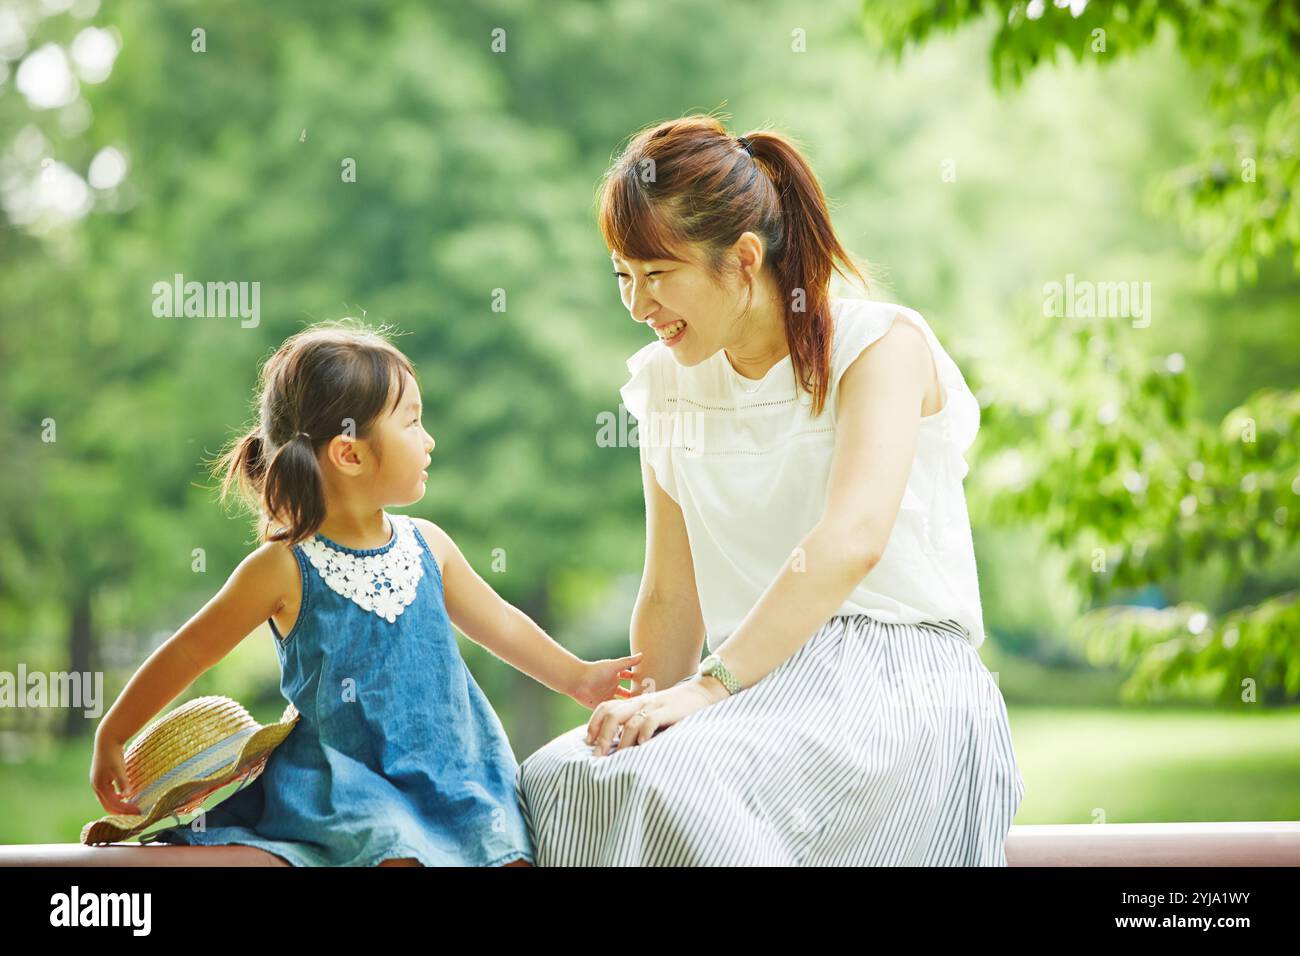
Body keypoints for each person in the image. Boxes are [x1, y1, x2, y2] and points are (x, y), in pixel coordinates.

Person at [516, 115, 1026, 866]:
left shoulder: (878, 348)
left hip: (896, 686)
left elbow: (851, 541)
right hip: (753, 690)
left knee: (679, 785)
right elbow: (669, 595)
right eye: (622, 276)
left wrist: (709, 689)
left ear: (743, 258)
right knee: (557, 782)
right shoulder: (665, 384)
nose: (636, 304)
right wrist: (643, 710)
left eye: (657, 274)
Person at [89, 321, 641, 866]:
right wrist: (113, 735)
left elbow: (500, 622)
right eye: (413, 423)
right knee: (391, 848)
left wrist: (578, 677)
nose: (430, 440)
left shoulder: (429, 545)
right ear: (350, 454)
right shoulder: (282, 567)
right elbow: (190, 650)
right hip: (347, 782)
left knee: (508, 855)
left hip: (457, 769)